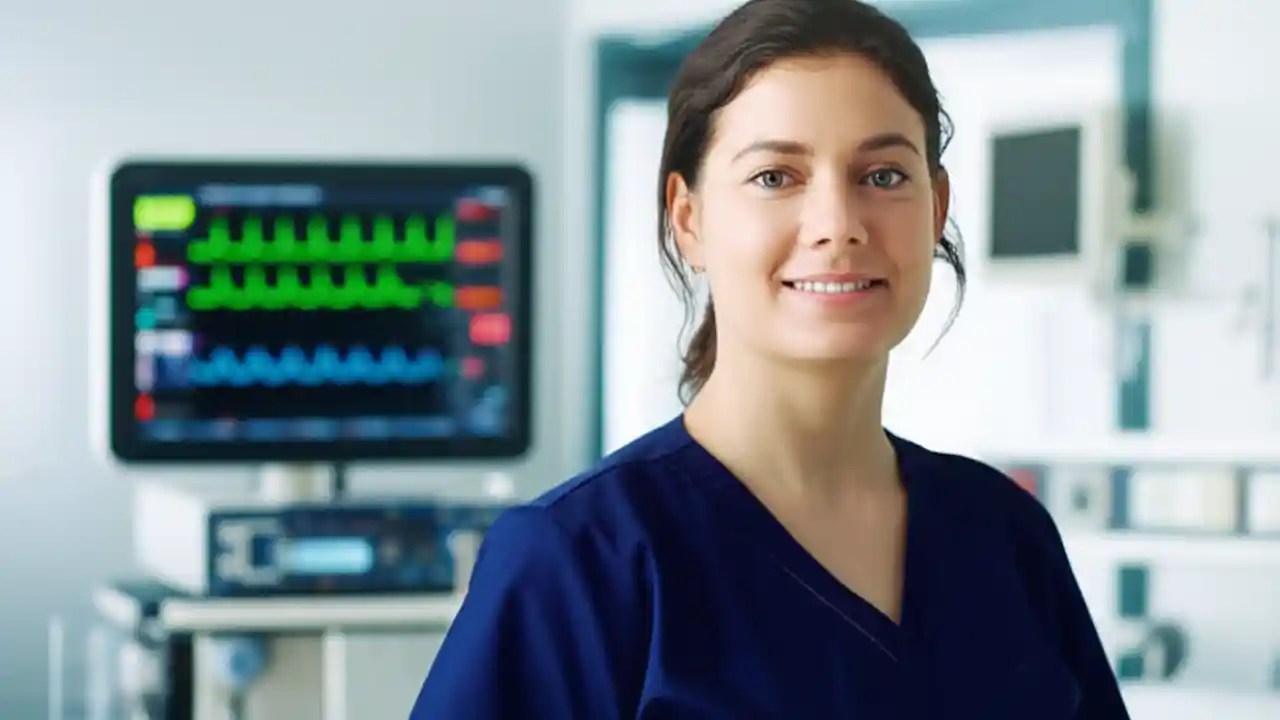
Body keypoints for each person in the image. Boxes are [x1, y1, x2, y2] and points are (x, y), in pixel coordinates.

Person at [411, 0, 1130, 716]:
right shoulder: (580, 560)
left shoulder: (1003, 536)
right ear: (687, 219)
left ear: (937, 208)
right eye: (775, 177)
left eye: (881, 175)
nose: (838, 226)